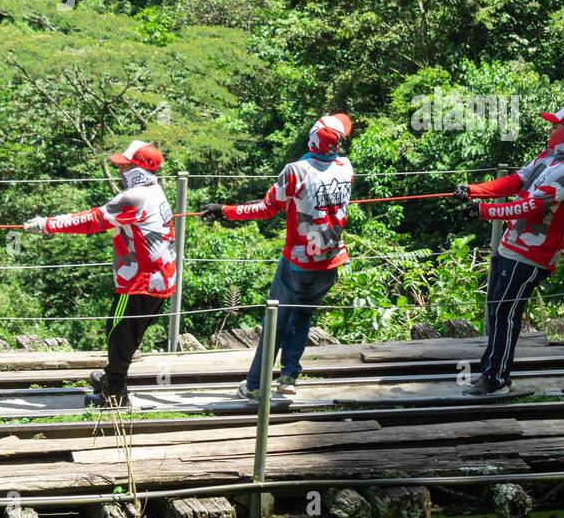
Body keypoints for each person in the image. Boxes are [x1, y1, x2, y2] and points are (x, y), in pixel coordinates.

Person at [200, 113, 354, 401]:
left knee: (276, 320)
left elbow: (266, 208)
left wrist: (224, 210)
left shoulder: (295, 171)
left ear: (311, 137)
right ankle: (288, 377)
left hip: (298, 261)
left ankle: (257, 384)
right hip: (331, 260)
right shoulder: (346, 168)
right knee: (303, 315)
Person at [23, 140, 176, 408]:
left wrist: (46, 225)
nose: (120, 170)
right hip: (159, 277)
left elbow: (91, 220)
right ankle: (112, 377)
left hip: (141, 280)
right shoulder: (154, 192)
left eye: (125, 165)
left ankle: (116, 394)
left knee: (118, 332)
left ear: (137, 168)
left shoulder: (134, 197)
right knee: (127, 332)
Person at [454, 104, 564, 396]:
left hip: (533, 254)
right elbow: (516, 180)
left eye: (556, 127)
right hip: (511, 245)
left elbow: (530, 206)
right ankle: (494, 373)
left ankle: (496, 379)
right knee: (496, 311)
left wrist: (482, 211)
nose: (551, 131)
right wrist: (474, 189)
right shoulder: (550, 157)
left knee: (505, 312)